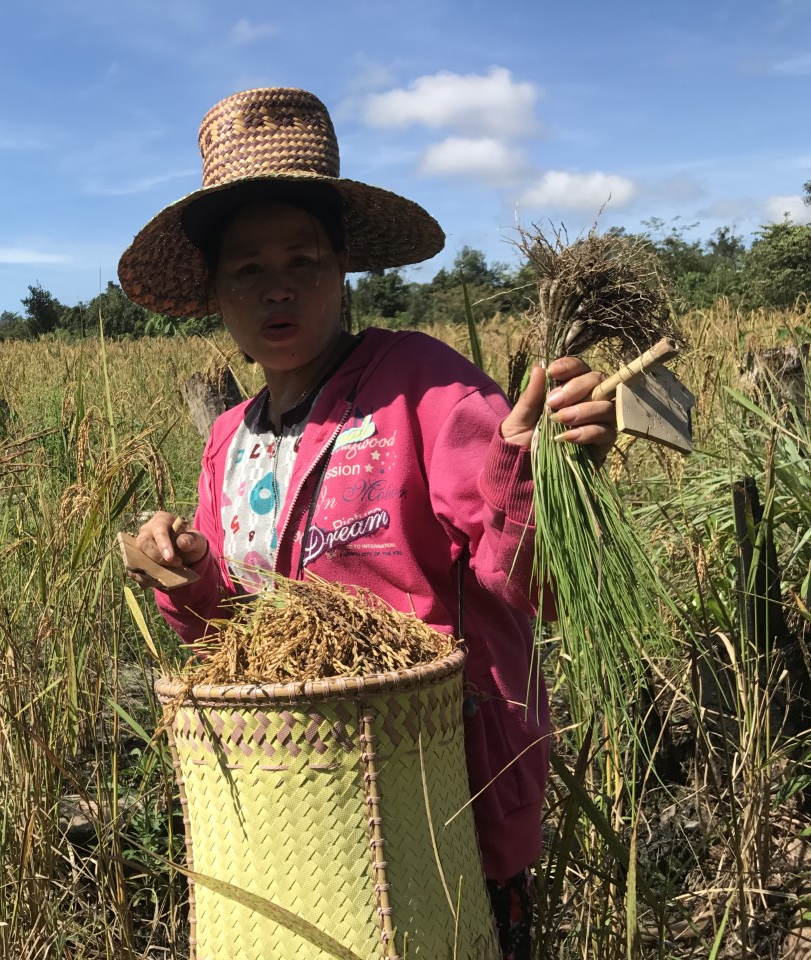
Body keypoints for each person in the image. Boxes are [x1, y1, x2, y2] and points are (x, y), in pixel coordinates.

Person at [117, 87, 615, 959]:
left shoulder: (420, 386)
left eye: (303, 259)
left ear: (342, 267)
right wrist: (187, 574)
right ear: (216, 296)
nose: (277, 285)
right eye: (246, 268)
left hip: (437, 786)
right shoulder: (229, 440)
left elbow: (528, 578)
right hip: (298, 807)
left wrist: (541, 473)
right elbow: (231, 632)